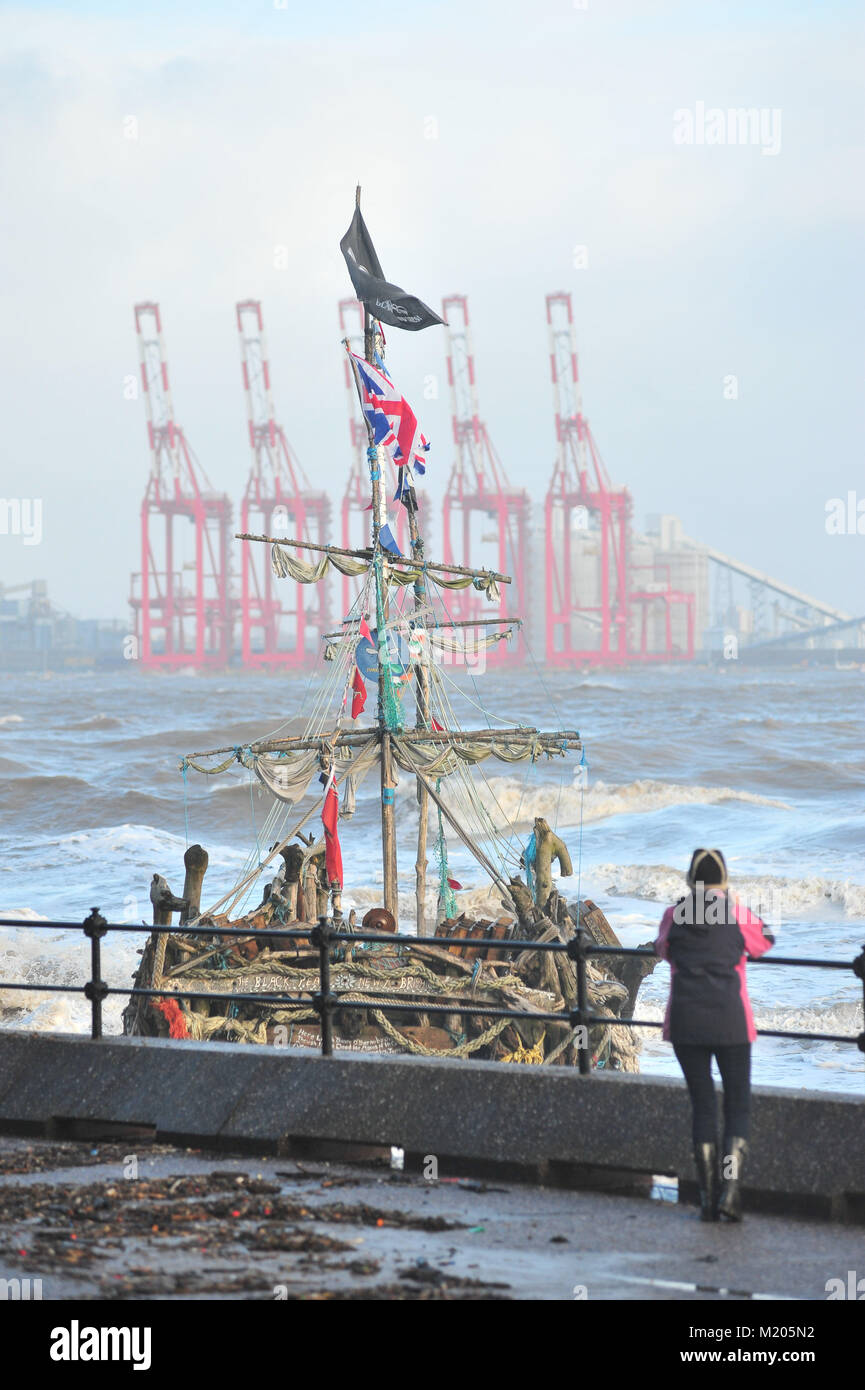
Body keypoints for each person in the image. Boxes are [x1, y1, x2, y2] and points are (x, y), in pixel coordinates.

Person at [654, 848, 774, 1222]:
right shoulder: (736, 913)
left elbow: (663, 950)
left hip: (686, 1022)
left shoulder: (674, 914)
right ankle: (730, 1193)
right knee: (737, 1106)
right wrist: (735, 905)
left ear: (690, 880)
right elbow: (765, 941)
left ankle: (707, 1199)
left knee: (703, 1105)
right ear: (724, 881)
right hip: (730, 1022)